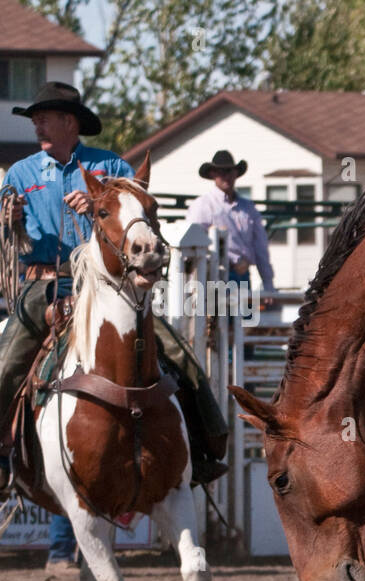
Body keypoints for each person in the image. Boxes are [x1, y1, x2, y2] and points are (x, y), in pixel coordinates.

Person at [0, 82, 229, 484]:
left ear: (69, 122)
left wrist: (96, 207)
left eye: (44, 119)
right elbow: (5, 221)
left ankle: (205, 447)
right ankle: (4, 460)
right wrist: (10, 216)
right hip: (45, 285)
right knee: (6, 365)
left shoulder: (114, 169)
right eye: (34, 120)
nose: (36, 126)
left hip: (108, 285)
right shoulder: (20, 173)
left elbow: (135, 218)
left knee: (179, 356)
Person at [184, 150, 276, 293]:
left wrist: (268, 283)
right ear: (213, 174)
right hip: (215, 276)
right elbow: (193, 245)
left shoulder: (248, 207)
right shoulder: (203, 205)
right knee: (222, 313)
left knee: (244, 314)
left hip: (243, 275)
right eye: (221, 172)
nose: (226, 176)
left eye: (229, 171)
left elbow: (260, 246)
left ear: (235, 173)